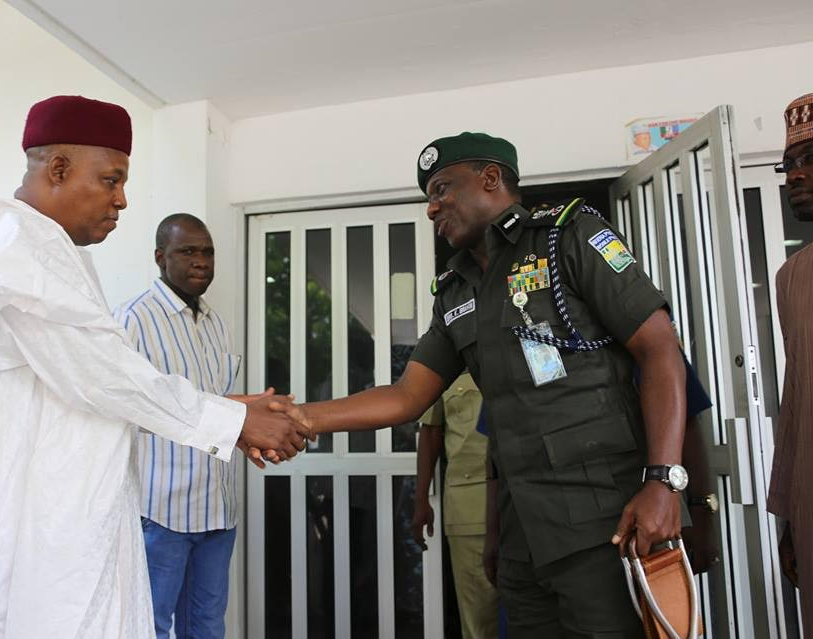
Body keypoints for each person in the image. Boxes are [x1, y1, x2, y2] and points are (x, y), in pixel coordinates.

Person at [0, 95, 310, 639]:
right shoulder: (20, 245)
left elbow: (80, 374)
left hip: (5, 509)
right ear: (60, 168)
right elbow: (102, 374)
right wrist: (232, 423)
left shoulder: (22, 240)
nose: (122, 200)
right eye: (111, 180)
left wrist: (230, 408)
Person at [284, 132, 688, 637]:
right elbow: (406, 396)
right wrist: (299, 418)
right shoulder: (454, 291)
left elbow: (660, 350)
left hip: (604, 521)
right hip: (524, 536)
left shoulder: (568, 236)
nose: (431, 209)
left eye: (441, 190)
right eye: (428, 197)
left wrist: (663, 481)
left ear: (491, 179)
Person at [114, 213, 240, 639]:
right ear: (160, 257)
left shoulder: (216, 324)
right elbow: (124, 408)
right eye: (188, 251)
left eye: (207, 252)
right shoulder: (132, 320)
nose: (201, 261)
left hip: (218, 510)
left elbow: (217, 406)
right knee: (149, 625)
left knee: (205, 627)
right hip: (160, 512)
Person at [768, 92, 813, 636]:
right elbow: (795, 400)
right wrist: (790, 516)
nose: (795, 177)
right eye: (789, 165)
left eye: (810, 161)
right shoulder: (792, 277)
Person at [412, 371, 498, 638]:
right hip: (470, 505)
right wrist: (421, 499)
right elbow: (430, 433)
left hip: (529, 501)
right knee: (479, 620)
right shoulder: (444, 359)